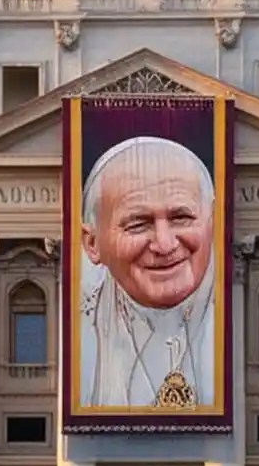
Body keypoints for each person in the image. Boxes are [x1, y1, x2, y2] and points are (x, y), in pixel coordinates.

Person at [79, 136, 217, 410]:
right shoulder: (82, 333)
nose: (165, 245)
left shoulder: (232, 310)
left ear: (212, 223)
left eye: (181, 218)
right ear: (92, 243)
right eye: (138, 224)